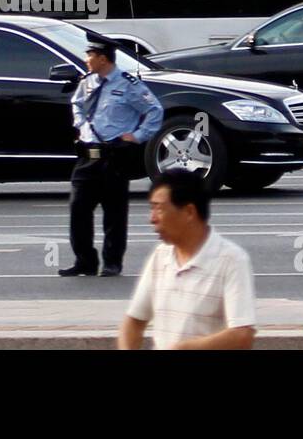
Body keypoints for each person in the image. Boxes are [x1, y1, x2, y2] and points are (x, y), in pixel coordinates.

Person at [59, 38, 162, 277]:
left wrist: (137, 136)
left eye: (90, 55)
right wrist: (81, 125)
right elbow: (77, 105)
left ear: (102, 58)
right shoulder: (87, 82)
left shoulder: (128, 85)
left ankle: (112, 262)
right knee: (78, 210)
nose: (86, 60)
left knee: (114, 214)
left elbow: (154, 111)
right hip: (87, 156)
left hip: (115, 156)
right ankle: (85, 261)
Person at [119, 171, 257, 350]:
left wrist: (187, 348)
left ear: (189, 212)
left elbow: (242, 335)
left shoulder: (231, 260)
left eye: (159, 208)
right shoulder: (161, 256)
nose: (152, 219)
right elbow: (134, 322)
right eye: (151, 208)